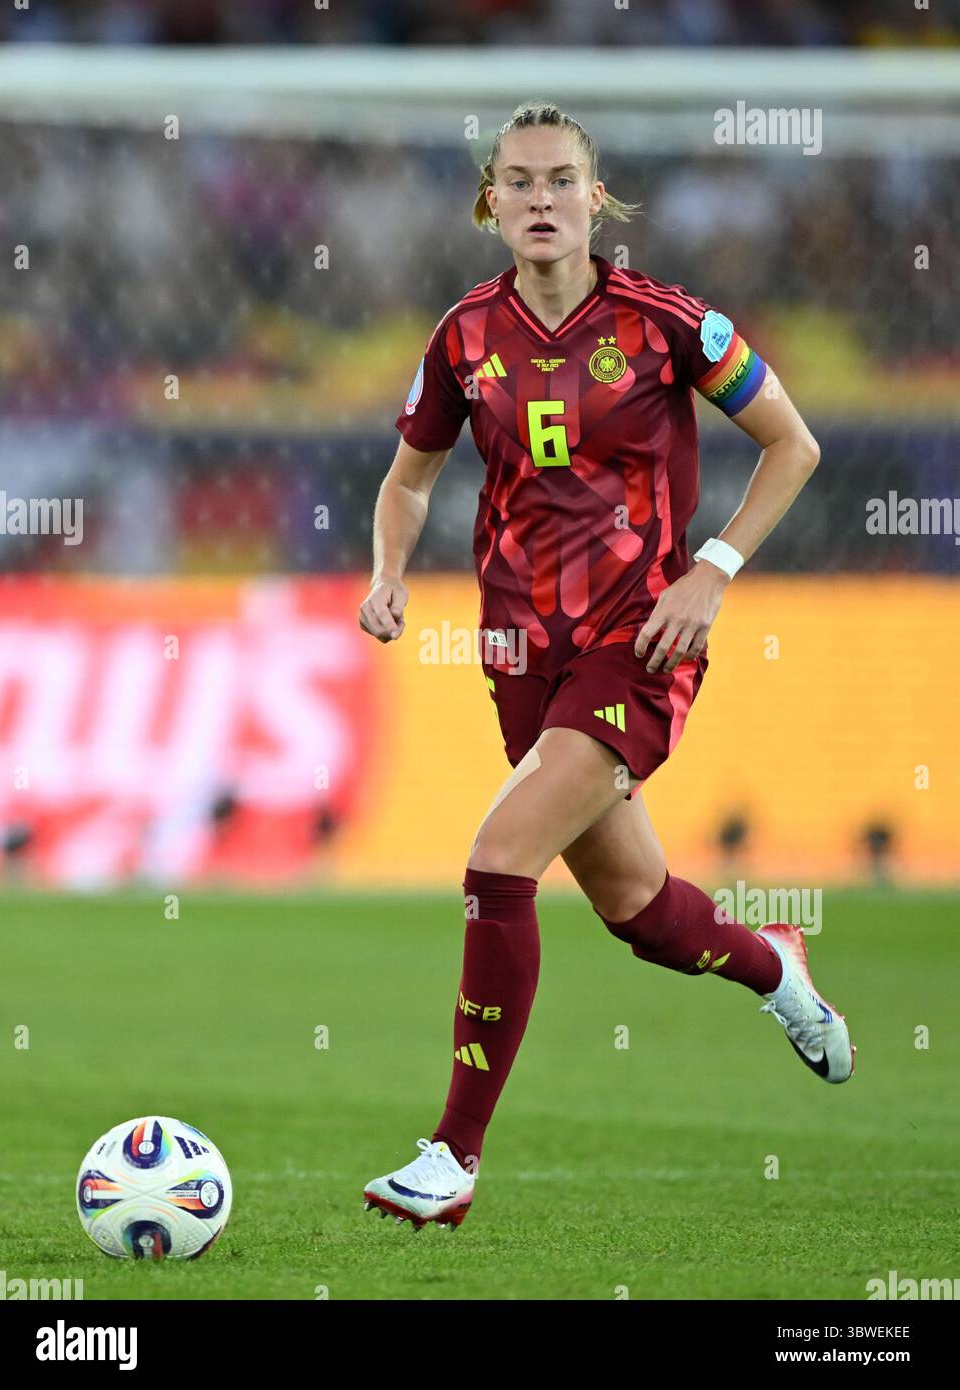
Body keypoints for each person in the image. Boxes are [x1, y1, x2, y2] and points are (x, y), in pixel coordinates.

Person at [357, 101, 854, 1231]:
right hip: (516, 652)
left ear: (596, 197)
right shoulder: (461, 336)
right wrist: (386, 573)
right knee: (637, 910)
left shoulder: (664, 321)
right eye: (518, 182)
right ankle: (773, 969)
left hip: (640, 644)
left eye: (561, 180)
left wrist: (713, 568)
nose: (541, 200)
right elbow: (407, 480)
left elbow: (793, 442)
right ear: (490, 203)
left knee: (496, 862)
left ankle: (452, 1156)